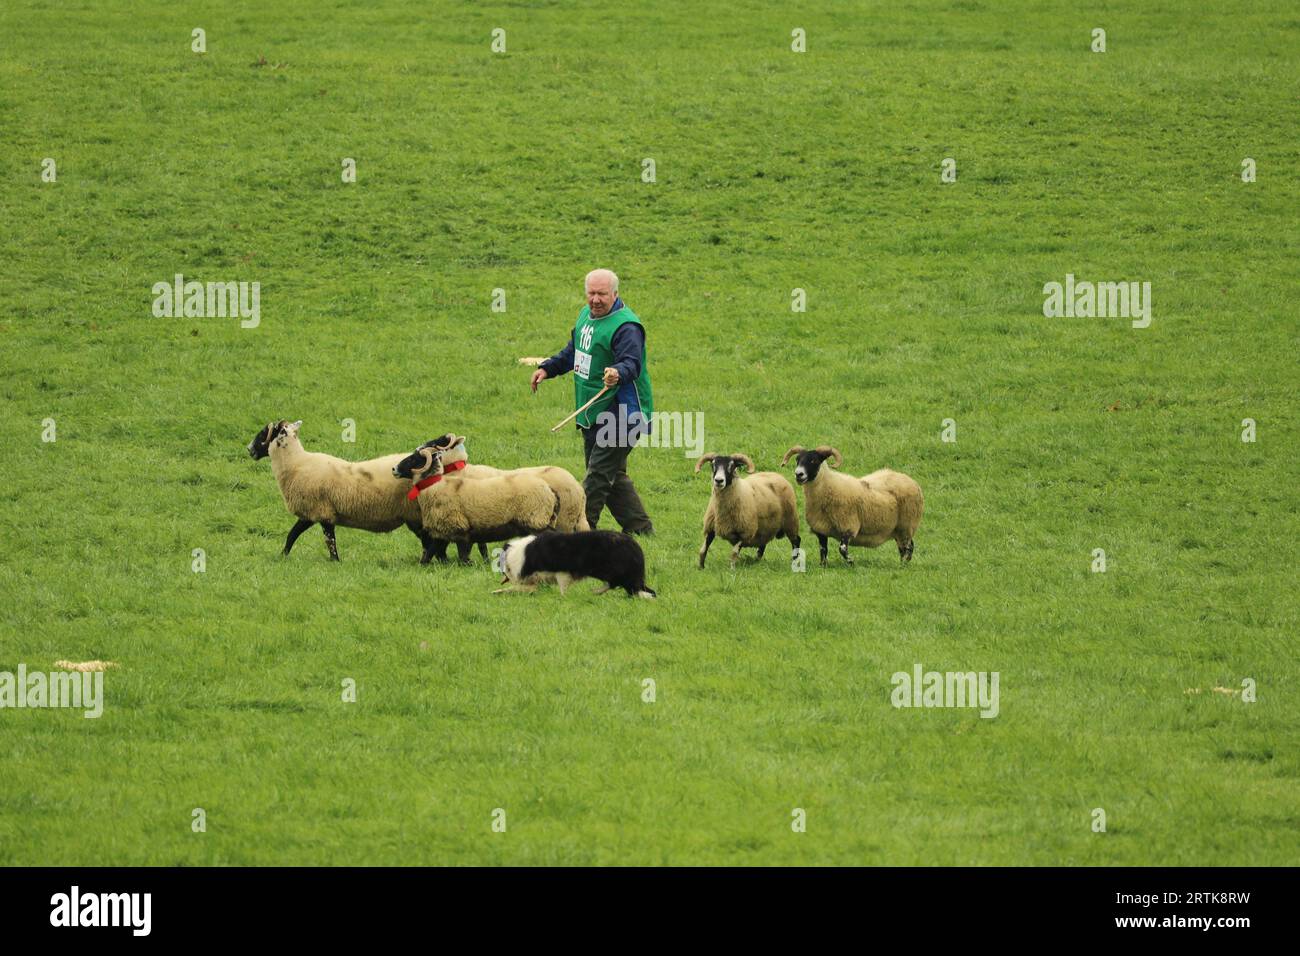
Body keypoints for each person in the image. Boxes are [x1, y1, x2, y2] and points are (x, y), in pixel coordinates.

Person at [530, 269, 654, 534]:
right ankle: (641, 529)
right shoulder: (586, 316)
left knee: (597, 477)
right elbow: (575, 351)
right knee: (612, 476)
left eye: (602, 294)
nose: (596, 300)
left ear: (616, 294)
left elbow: (632, 363)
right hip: (593, 411)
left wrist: (617, 372)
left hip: (623, 413)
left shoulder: (626, 327)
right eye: (592, 293)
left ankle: (578, 533)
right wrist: (548, 368)